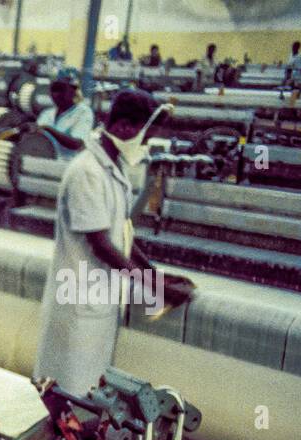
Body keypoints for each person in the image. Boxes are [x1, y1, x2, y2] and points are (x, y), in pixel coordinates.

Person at [33, 90, 195, 397]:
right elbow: (102, 246)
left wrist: (155, 276)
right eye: (145, 136)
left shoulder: (112, 169)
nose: (145, 145)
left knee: (89, 393)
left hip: (97, 302)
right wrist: (156, 288)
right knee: (71, 394)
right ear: (123, 127)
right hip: (78, 301)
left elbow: (122, 236)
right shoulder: (87, 172)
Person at [36, 68, 95, 159]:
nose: (56, 94)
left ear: (73, 90)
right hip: (44, 163)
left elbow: (77, 144)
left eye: (61, 89)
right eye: (54, 89)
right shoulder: (46, 114)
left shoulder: (83, 112)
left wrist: (48, 129)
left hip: (68, 167)